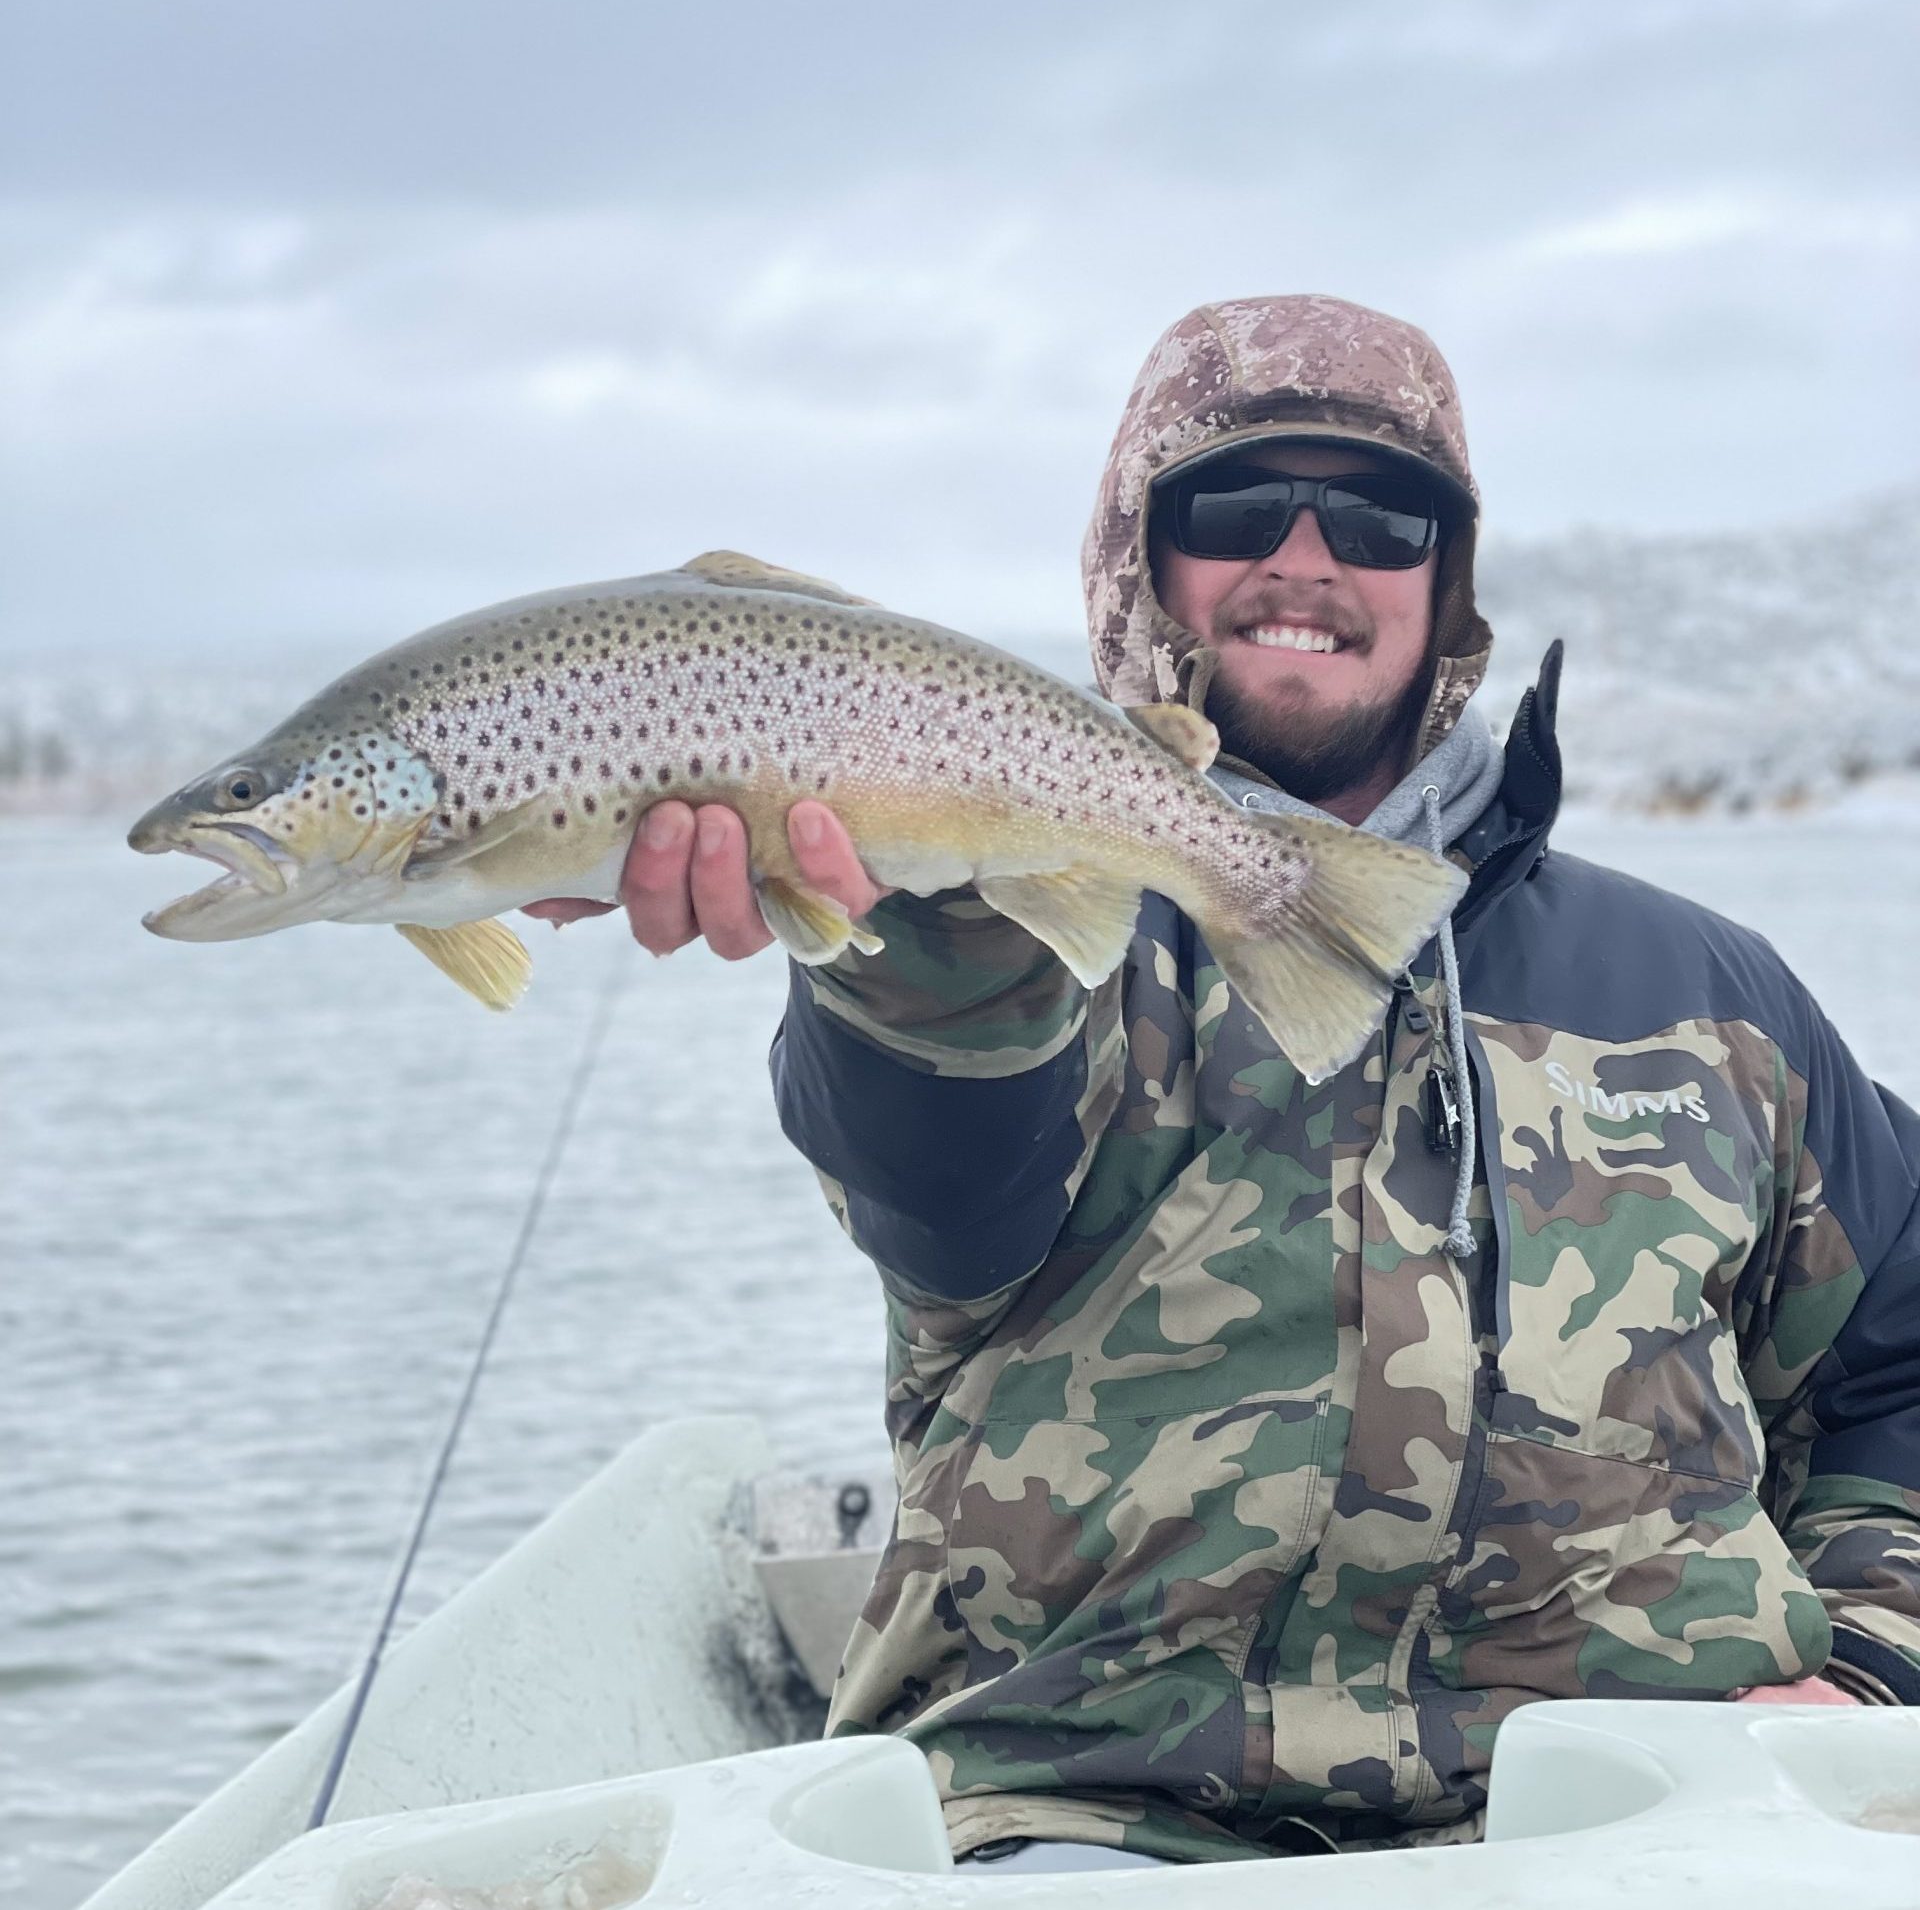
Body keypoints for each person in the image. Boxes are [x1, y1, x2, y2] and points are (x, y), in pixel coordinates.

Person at [527, 296, 1920, 1871]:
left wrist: (1873, 1670)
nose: (1307, 559)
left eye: (1383, 519)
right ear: (1137, 558)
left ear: (1446, 580)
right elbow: (944, 1192)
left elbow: (1902, 1351)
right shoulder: (996, 942)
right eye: (1239, 505)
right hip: (1089, 1808)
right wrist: (913, 922)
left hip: (1657, 1809)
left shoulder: (1709, 994)